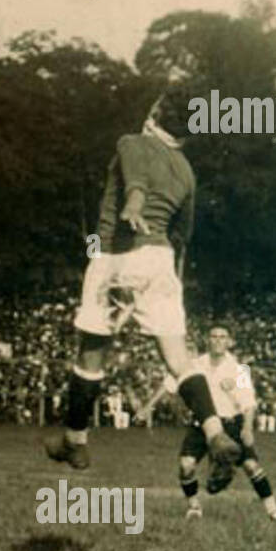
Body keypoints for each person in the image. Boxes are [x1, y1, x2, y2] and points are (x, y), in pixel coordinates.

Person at [45, 85, 241, 473]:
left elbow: (136, 179)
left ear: (156, 110)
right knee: (179, 360)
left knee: (92, 353)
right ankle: (215, 428)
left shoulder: (132, 142)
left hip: (118, 257)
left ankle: (76, 440)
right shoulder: (186, 171)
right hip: (161, 261)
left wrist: (134, 203)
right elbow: (183, 231)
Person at [168, 326, 276, 521]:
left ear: (229, 341)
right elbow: (172, 386)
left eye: (223, 337)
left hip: (231, 423)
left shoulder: (240, 369)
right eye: (214, 336)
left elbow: (249, 403)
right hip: (202, 423)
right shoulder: (195, 365)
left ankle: (274, 510)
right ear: (207, 340)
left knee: (251, 466)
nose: (218, 340)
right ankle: (194, 508)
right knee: (186, 465)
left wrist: (247, 428)